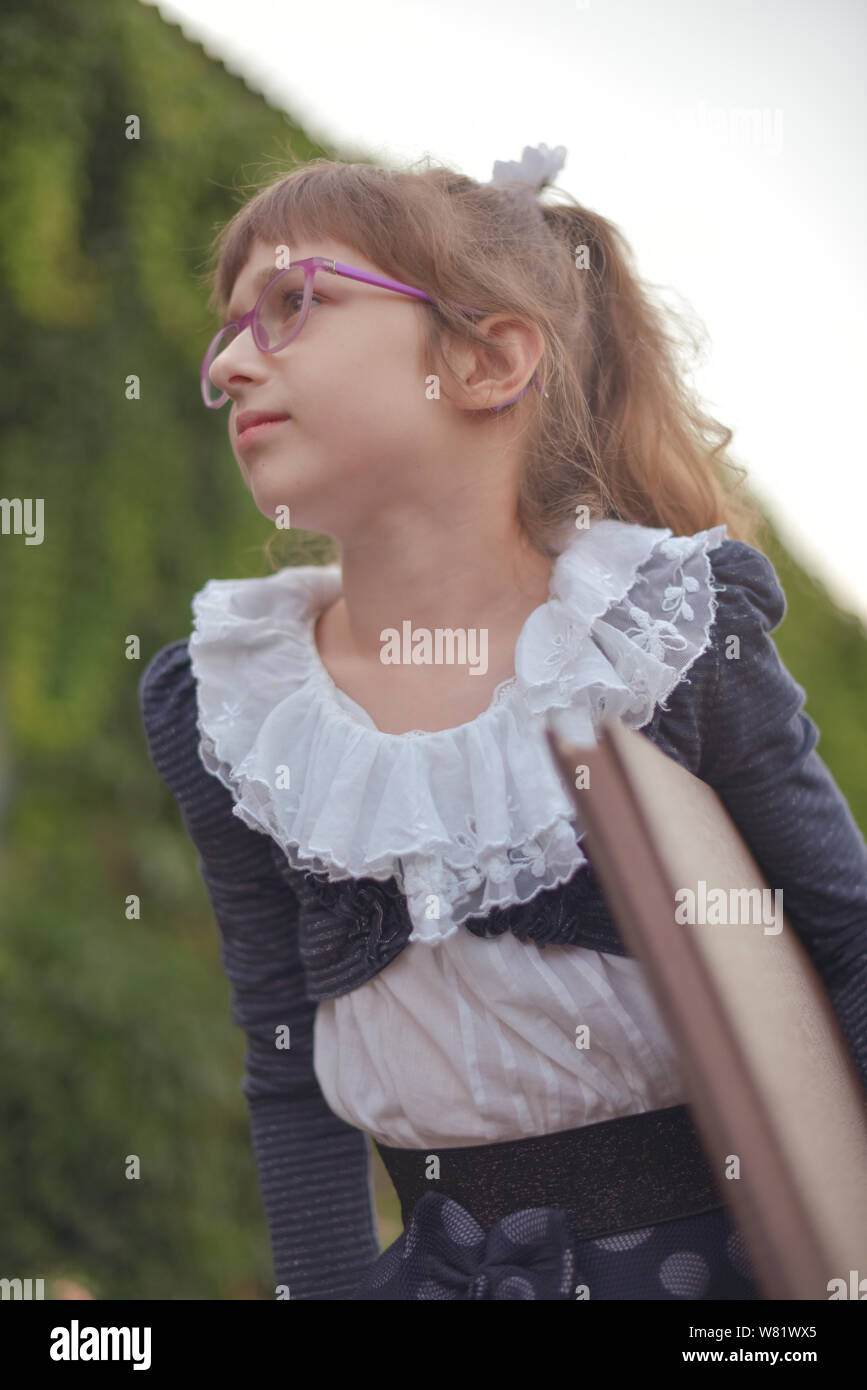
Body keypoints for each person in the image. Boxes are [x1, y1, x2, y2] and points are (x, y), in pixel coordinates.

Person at [138, 145, 867, 1301]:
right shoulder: (224, 709)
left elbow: (850, 938)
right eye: (225, 330)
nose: (229, 363)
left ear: (486, 361)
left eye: (293, 307)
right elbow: (284, 1061)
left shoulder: (664, 642)